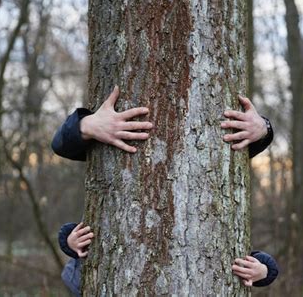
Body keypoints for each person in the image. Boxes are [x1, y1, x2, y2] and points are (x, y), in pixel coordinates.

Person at [53, 86, 278, 294]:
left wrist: (264, 128)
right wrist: (87, 125)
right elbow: (60, 144)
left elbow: (263, 266)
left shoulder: (220, 156)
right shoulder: (113, 136)